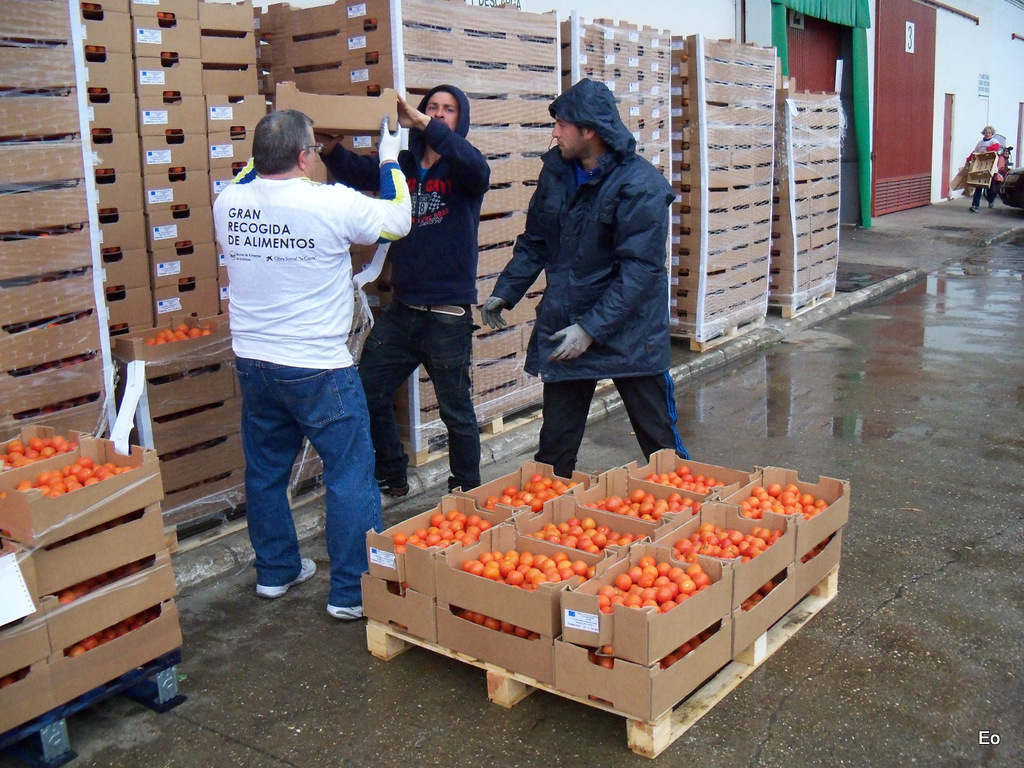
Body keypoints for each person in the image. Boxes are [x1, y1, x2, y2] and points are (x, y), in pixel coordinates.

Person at [213, 109, 411, 620]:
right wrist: (389, 160)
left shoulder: (228, 201)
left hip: (255, 363)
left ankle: (276, 572)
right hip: (318, 368)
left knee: (264, 470)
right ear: (306, 156)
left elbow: (246, 174)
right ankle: (349, 592)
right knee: (350, 473)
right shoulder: (331, 203)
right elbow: (398, 219)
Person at [479, 78, 687, 479]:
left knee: (659, 445)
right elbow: (536, 240)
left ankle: (691, 515)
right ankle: (549, 525)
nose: (554, 132)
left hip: (631, 332)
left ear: (589, 130)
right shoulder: (557, 172)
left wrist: (590, 329)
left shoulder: (640, 186)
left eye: (561, 124)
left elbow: (640, 272)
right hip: (567, 321)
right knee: (555, 447)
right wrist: (506, 292)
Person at [320, 85, 490, 496]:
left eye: (448, 110)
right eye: (432, 107)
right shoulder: (405, 166)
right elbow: (361, 174)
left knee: (456, 412)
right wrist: (330, 149)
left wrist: (423, 122)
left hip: (447, 316)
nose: (437, 114)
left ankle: (466, 491)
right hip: (403, 311)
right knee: (368, 389)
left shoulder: (464, 171)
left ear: (458, 121)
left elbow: (478, 167)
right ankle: (392, 473)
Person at [967, 126, 1006, 211]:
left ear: (992, 134)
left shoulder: (993, 141)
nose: (987, 134)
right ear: (983, 133)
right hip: (981, 167)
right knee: (978, 186)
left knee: (990, 188)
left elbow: (996, 146)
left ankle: (991, 200)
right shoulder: (980, 143)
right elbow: (975, 152)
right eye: (986, 132)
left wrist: (987, 149)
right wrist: (968, 159)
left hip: (991, 168)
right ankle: (975, 205)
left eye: (989, 133)